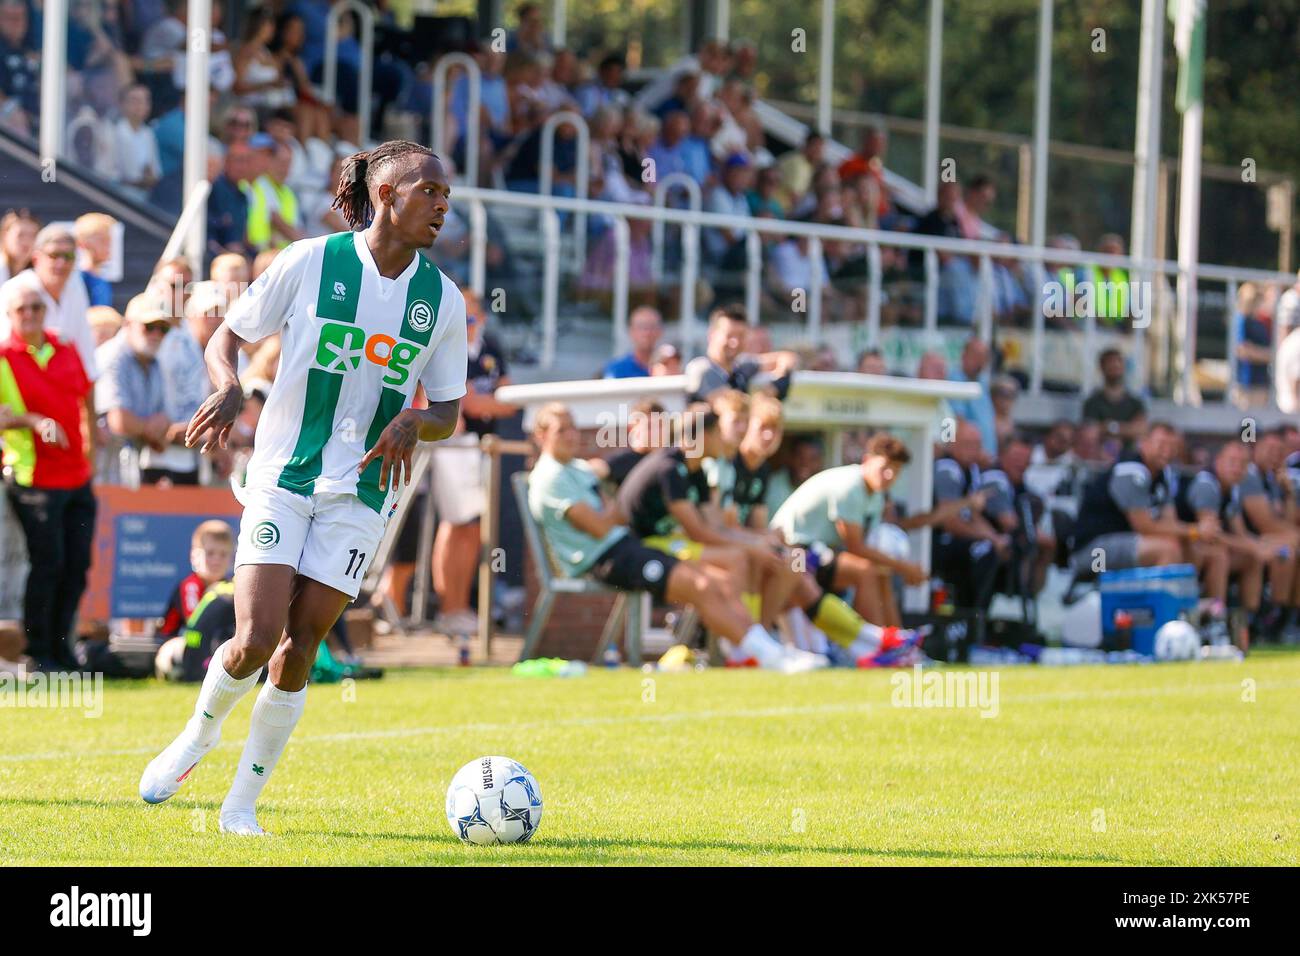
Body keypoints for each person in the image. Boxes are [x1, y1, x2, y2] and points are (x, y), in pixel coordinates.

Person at [138, 140, 468, 837]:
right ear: (386, 194)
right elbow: (226, 334)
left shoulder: (441, 299)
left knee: (305, 641)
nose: (442, 205)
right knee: (255, 636)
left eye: (446, 194)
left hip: (364, 491)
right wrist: (227, 387)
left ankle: (241, 805)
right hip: (283, 474)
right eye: (429, 191)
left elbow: (448, 409)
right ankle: (196, 738)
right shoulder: (311, 261)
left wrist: (416, 421)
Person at [527, 402, 810, 673]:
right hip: (602, 560)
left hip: (623, 546)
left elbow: (609, 504)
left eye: (573, 427)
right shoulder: (550, 478)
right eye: (561, 430)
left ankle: (760, 649)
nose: (571, 434)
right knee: (701, 584)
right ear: (541, 436)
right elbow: (600, 527)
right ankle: (761, 654)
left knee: (717, 581)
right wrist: (625, 502)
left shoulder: (577, 468)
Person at [0, 275, 96, 672]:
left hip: (77, 474)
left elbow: (86, 392)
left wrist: (91, 434)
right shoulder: (4, 356)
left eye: (37, 307)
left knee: (77, 567)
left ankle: (63, 648)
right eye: (22, 308)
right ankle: (38, 651)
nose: (31, 315)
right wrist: (33, 420)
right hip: (33, 478)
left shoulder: (65, 347)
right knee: (48, 563)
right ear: (9, 314)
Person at [1068, 422, 1232, 643]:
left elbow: (1170, 523)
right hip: (1094, 549)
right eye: (1161, 444)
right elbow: (1143, 525)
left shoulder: (1164, 475)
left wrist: (1197, 536)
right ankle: (1163, 626)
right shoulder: (1131, 470)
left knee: (1205, 552)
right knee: (1168, 550)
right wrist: (1196, 530)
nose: (1168, 451)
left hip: (1134, 544)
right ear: (1144, 443)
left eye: (1173, 446)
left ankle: (1210, 622)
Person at [428, 288, 517, 637]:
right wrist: (483, 403)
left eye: (473, 315)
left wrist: (484, 402)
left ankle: (462, 607)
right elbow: (470, 405)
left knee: (474, 529)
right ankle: (450, 610)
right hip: (454, 445)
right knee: (456, 524)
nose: (469, 323)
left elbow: (508, 401)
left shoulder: (490, 348)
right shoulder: (445, 346)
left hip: (480, 448)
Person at [1175, 440, 1271, 648]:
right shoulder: (1206, 485)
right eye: (1232, 462)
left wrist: (1259, 547)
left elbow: (1240, 533)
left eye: (1243, 464)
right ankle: (1215, 621)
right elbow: (1211, 535)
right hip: (1183, 547)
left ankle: (1250, 623)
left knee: (1251, 558)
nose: (1237, 468)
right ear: (1218, 462)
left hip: (1200, 547)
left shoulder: (1233, 490)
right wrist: (1255, 546)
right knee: (1220, 555)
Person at [98, 291, 199, 485]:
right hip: (96, 470)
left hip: (121, 472)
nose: (156, 334)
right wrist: (150, 429)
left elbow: (162, 419)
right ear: (128, 324)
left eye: (163, 329)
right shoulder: (113, 357)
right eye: (149, 326)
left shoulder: (153, 362)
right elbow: (119, 421)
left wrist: (154, 429)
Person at [931, 420, 1009, 612]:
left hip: (959, 542)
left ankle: (980, 617)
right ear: (953, 443)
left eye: (977, 445)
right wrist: (989, 539)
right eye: (967, 444)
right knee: (984, 550)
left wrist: (996, 538)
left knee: (1004, 547)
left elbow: (973, 515)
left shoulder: (972, 471)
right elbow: (950, 521)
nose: (973, 451)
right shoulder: (947, 468)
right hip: (935, 541)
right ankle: (971, 614)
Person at [11, 226, 99, 383]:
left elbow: (84, 347)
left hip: (64, 389)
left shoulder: (76, 287)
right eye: (54, 255)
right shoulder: (15, 290)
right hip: (22, 389)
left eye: (68, 256)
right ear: (36, 258)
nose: (61, 263)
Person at [684, 303, 797, 403]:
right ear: (711, 334)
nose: (735, 342)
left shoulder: (741, 366)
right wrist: (766, 396)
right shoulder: (702, 369)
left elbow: (787, 357)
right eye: (729, 335)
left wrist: (781, 376)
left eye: (741, 336)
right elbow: (730, 408)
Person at [159, 520, 236, 637]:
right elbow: (196, 622)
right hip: (178, 642)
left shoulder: (230, 587)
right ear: (194, 556)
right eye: (210, 553)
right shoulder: (190, 586)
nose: (216, 560)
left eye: (223, 554)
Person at [1082, 348, 1146, 446]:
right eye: (1110, 363)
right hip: (1098, 457)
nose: (1115, 366)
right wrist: (1127, 429)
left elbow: (1140, 431)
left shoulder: (1135, 403)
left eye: (1118, 362)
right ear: (1102, 368)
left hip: (1130, 456)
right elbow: (1090, 433)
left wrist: (1109, 427)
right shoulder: (1092, 402)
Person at [947, 337, 996, 461]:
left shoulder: (982, 382)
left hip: (989, 457)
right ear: (964, 356)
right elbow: (959, 421)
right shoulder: (955, 380)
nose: (980, 361)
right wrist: (976, 452)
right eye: (976, 356)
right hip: (972, 458)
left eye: (984, 357)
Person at [602, 306, 662, 379]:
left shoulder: (669, 366)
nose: (647, 333)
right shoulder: (617, 369)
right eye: (641, 326)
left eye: (652, 326)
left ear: (660, 331)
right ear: (631, 331)